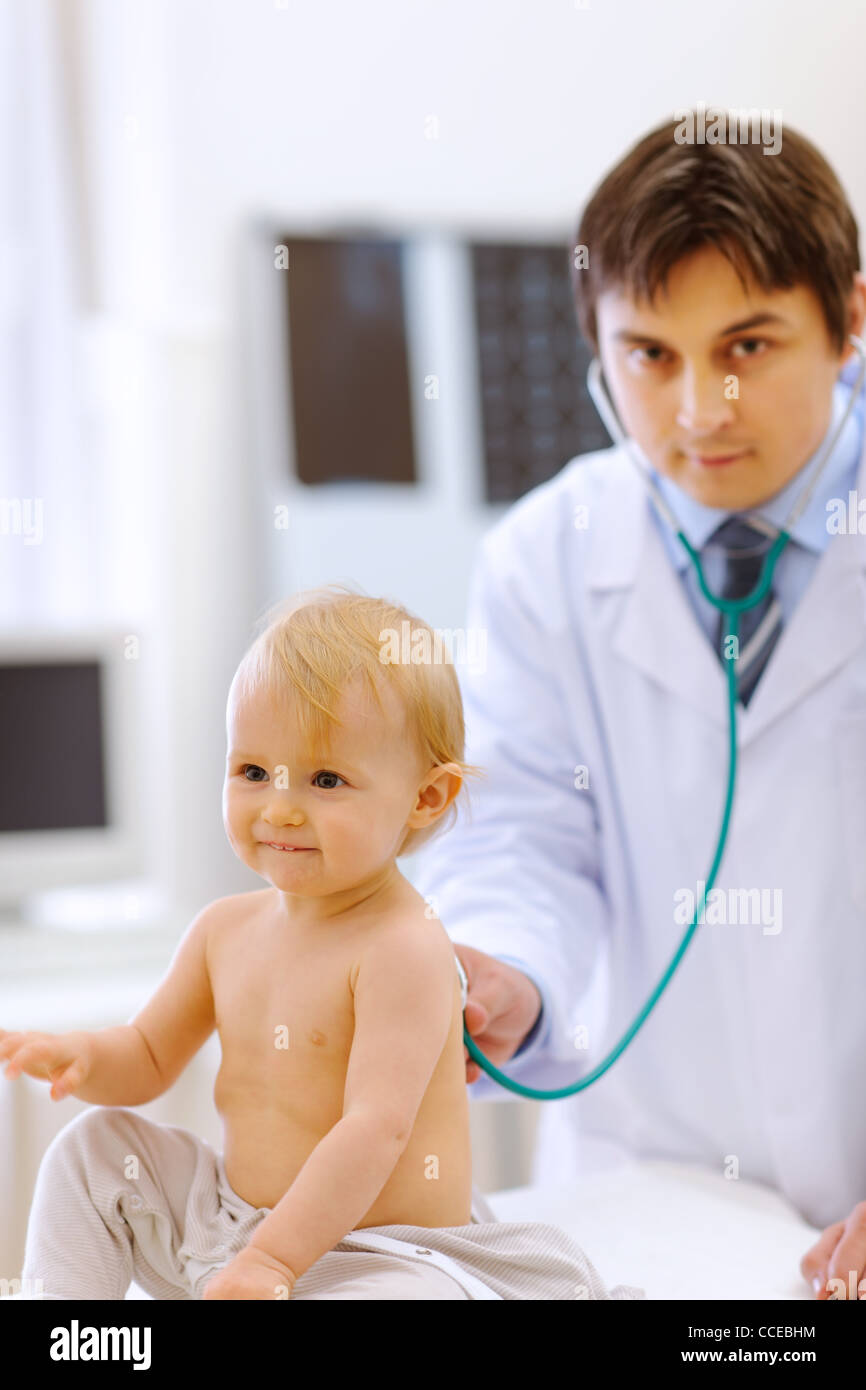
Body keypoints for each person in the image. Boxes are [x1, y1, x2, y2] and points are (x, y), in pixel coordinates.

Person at [409, 112, 866, 1301]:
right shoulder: (544, 558)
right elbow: (520, 833)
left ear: (848, 322)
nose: (700, 408)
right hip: (656, 1196)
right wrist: (505, 973)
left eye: (746, 345)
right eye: (650, 355)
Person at [3, 589, 642, 1301]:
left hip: (381, 1254)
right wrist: (85, 1057)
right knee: (94, 1148)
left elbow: (375, 1130)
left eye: (326, 779)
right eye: (253, 772)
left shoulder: (403, 949)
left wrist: (275, 1264)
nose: (279, 808)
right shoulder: (222, 931)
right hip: (230, 1229)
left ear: (426, 798)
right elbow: (148, 1057)